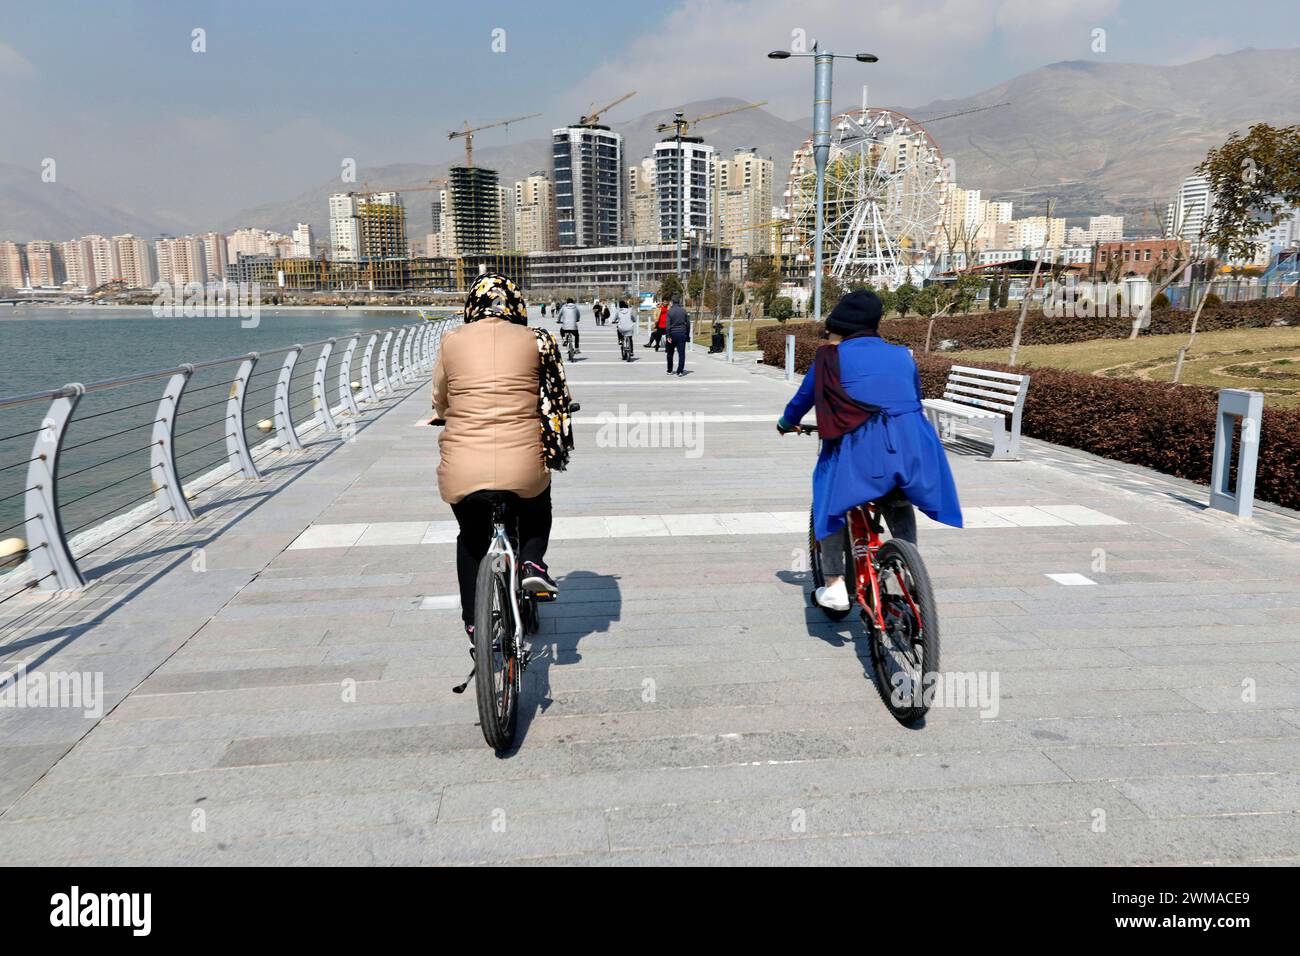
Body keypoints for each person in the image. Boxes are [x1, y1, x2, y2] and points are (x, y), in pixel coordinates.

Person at [777, 289, 962, 612]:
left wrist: (785, 422)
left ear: (840, 328)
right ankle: (909, 565)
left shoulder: (829, 358)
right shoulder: (903, 354)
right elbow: (911, 397)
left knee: (831, 502)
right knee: (898, 497)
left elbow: (802, 401)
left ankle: (834, 585)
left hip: (859, 447)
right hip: (913, 444)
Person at [431, 273, 575, 639]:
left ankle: (474, 621)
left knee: (471, 538)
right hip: (523, 466)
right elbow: (556, 393)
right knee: (537, 508)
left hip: (464, 469)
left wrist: (444, 413)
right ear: (516, 305)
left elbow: (441, 398)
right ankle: (531, 563)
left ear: (472, 306)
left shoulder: (451, 341)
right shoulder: (536, 340)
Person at [665, 296, 690, 375]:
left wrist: (668, 336)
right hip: (682, 333)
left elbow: (668, 325)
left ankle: (669, 370)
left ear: (672, 302)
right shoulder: (683, 311)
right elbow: (688, 324)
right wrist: (687, 335)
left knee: (670, 353)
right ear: (679, 302)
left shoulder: (670, 311)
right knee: (681, 353)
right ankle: (680, 371)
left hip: (672, 334)